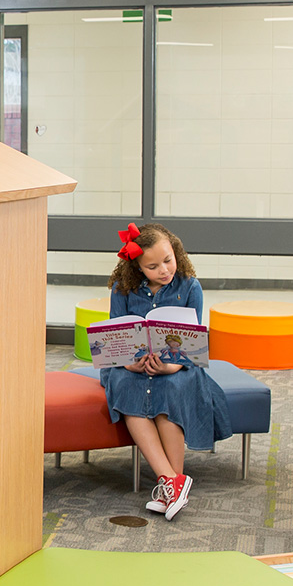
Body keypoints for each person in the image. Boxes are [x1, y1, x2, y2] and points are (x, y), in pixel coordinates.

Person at [100, 223, 231, 521]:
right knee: (125, 386)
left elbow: (194, 339)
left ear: (176, 251)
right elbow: (115, 334)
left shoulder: (190, 287)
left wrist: (173, 364)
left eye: (168, 260)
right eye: (153, 266)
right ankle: (172, 480)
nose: (164, 270)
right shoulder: (123, 289)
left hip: (177, 364)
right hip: (133, 366)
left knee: (171, 387)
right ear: (138, 267)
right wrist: (128, 362)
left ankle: (170, 483)